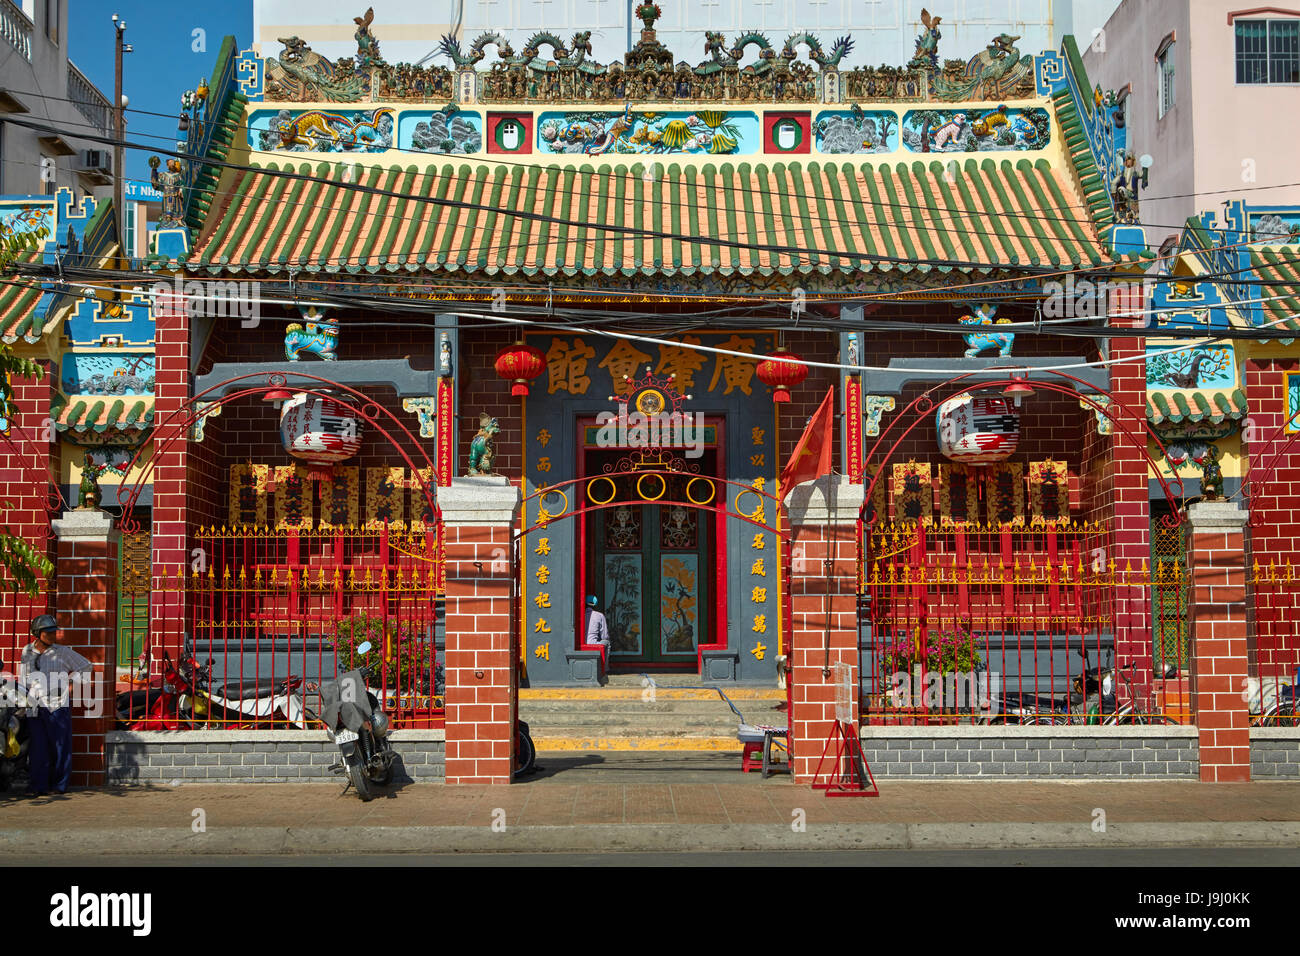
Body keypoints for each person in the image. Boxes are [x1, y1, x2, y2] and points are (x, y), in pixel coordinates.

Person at [19, 615, 92, 796]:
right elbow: (24, 678)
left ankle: (59, 786)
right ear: (37, 633)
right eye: (48, 632)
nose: (53, 636)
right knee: (38, 748)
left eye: (54, 632)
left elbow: (86, 666)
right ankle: (37, 786)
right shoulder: (27, 651)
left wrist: (69, 684)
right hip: (34, 705)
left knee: (60, 747)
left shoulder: (63, 652)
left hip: (57, 706)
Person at [584, 595, 610, 678]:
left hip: (581, 643)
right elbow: (604, 636)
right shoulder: (599, 615)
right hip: (593, 643)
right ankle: (604, 669)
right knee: (607, 643)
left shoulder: (581, 615)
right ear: (595, 605)